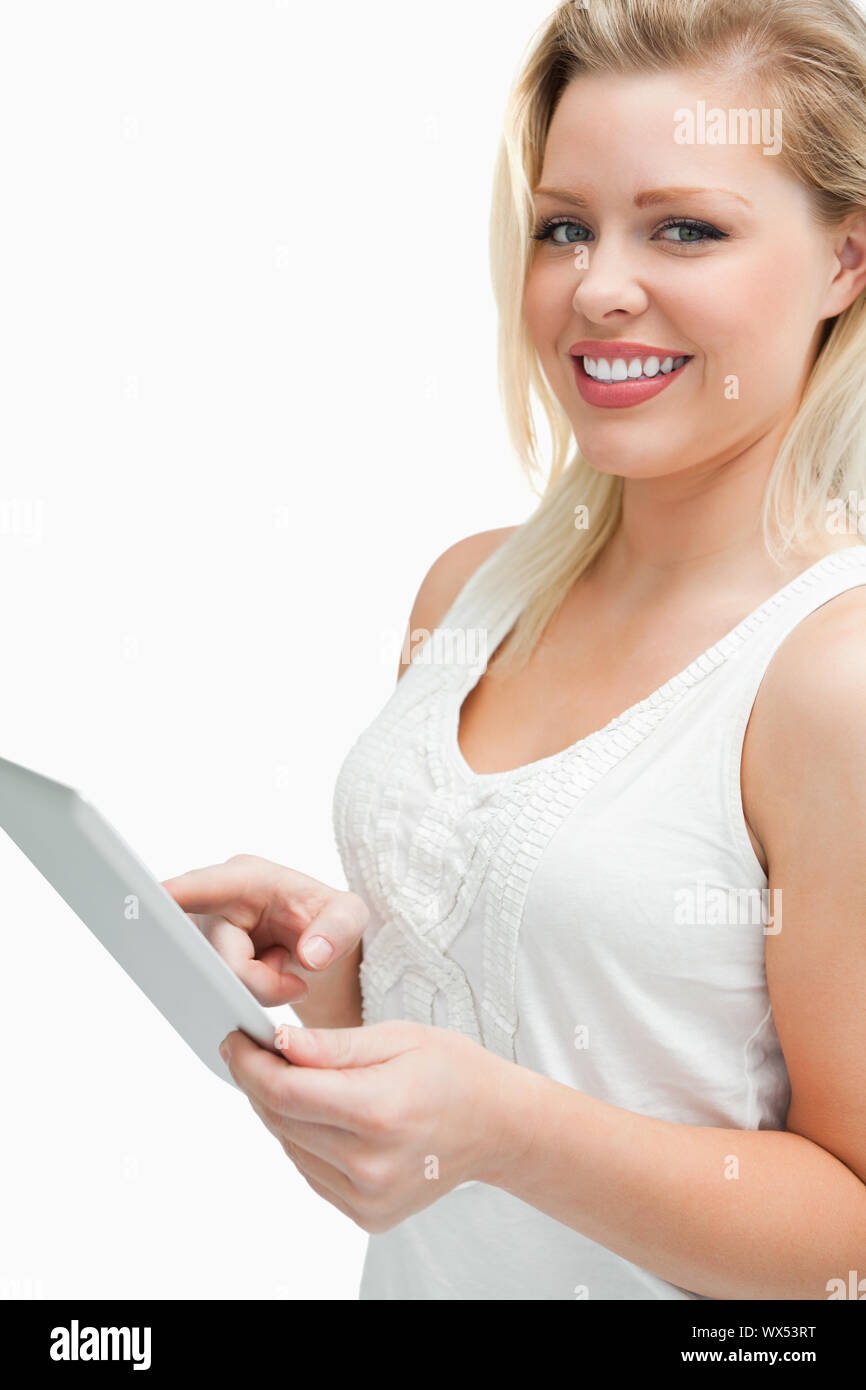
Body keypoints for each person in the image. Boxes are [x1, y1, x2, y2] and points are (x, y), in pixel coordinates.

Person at [162, 0, 866, 1299]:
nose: (596, 284)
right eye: (562, 226)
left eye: (684, 227)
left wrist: (504, 1129)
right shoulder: (474, 588)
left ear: (843, 259)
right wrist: (323, 979)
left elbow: (855, 1231)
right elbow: (515, 1017)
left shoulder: (830, 675)